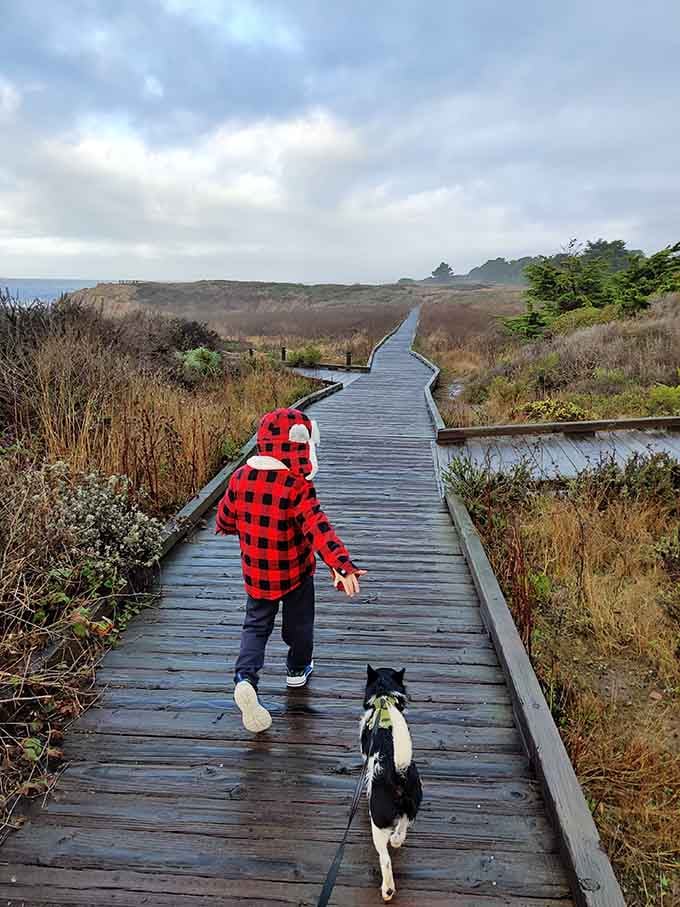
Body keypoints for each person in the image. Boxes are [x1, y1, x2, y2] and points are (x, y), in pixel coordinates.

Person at [216, 407, 366, 733]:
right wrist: (340, 564)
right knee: (299, 626)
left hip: (256, 574)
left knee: (255, 627)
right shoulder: (296, 485)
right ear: (295, 445)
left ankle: (246, 678)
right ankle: (297, 670)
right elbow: (318, 528)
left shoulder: (240, 477)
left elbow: (224, 518)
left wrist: (243, 525)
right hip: (295, 574)